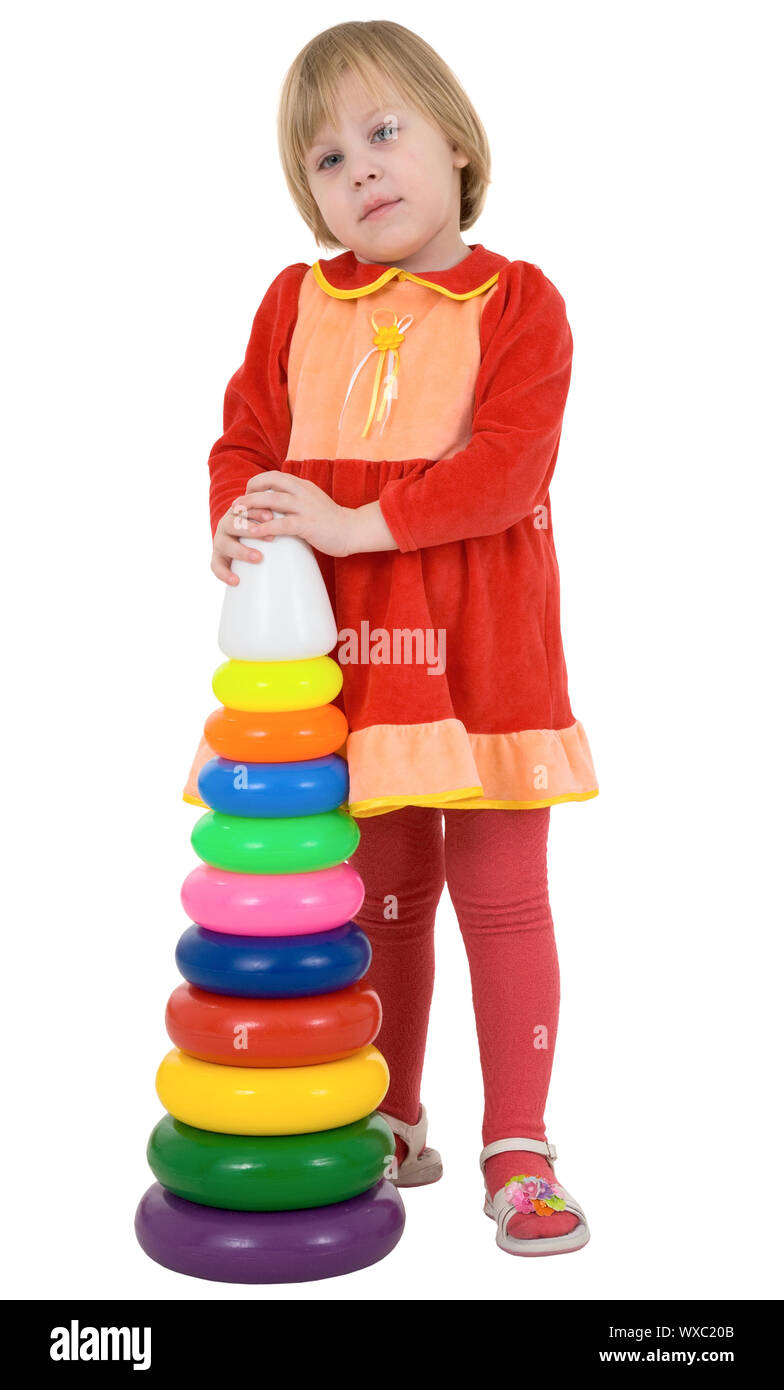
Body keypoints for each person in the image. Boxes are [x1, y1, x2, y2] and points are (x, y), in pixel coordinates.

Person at [184, 20, 598, 1257]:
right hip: (347, 664)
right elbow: (244, 439)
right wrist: (242, 518)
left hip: (481, 655)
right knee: (375, 902)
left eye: (383, 132)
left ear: (456, 145)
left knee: (502, 898)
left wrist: (355, 519)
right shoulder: (290, 302)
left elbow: (503, 469)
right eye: (324, 159)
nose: (359, 169)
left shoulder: (518, 301)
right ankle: (389, 1113)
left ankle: (518, 1146)